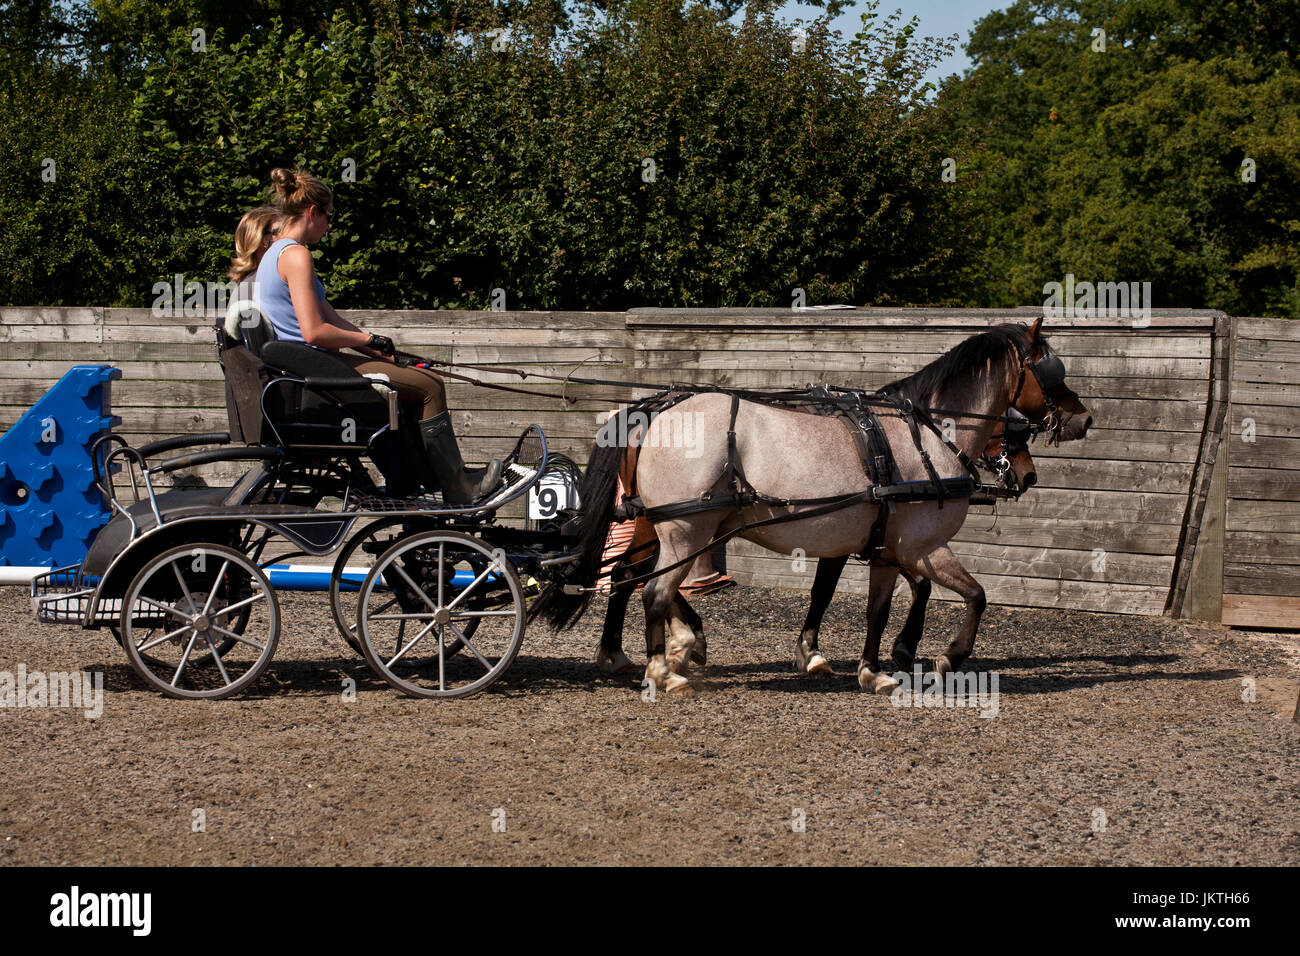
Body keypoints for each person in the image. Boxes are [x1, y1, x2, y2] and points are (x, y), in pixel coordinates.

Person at [252, 166, 502, 504]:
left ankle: (412, 479)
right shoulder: (297, 256)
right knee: (430, 387)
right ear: (313, 213)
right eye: (329, 216)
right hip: (318, 375)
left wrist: (379, 350)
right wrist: (368, 342)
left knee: (413, 381)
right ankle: (458, 488)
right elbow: (315, 331)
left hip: (311, 371)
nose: (329, 225)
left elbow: (333, 320)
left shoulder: (272, 255)